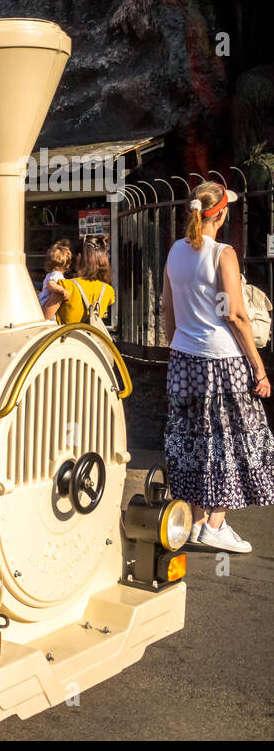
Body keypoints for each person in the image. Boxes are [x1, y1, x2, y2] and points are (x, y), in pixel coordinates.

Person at [161, 181, 272, 554]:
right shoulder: (223, 253)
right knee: (230, 439)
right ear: (221, 214)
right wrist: (258, 367)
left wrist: (179, 348)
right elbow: (237, 315)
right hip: (221, 361)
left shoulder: (175, 251)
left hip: (183, 360)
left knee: (193, 440)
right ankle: (216, 523)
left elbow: (168, 312)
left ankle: (194, 522)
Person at [44, 242, 114, 325]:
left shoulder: (65, 286)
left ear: (79, 257)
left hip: (66, 336)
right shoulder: (108, 290)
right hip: (90, 336)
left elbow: (45, 318)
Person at [38, 239, 72, 319]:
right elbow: (50, 284)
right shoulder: (56, 274)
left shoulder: (53, 274)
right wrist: (61, 290)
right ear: (67, 265)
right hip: (47, 303)